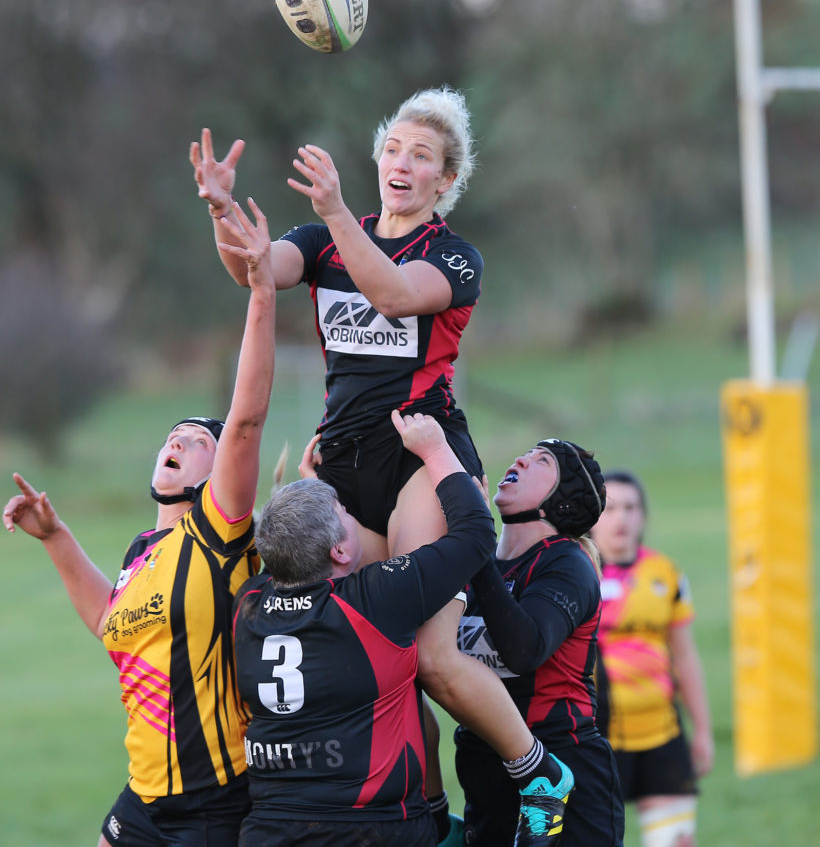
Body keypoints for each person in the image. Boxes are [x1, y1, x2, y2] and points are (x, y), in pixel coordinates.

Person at [191, 89, 571, 846]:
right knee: (375, 659)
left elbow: (395, 296)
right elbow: (256, 271)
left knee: (430, 657)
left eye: (421, 156)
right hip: (342, 464)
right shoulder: (329, 238)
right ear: (379, 158)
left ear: (444, 179)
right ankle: (429, 815)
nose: (403, 162)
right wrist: (221, 211)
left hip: (421, 457)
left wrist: (334, 212)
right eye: (394, 148)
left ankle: (537, 770)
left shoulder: (452, 256)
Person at [3, 198, 277, 847]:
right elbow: (109, 623)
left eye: (194, 440)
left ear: (218, 474)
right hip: (146, 795)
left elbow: (243, 422)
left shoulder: (218, 534)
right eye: (171, 435)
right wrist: (56, 536)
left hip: (214, 799)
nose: (176, 441)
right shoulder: (144, 550)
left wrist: (262, 291)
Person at [232, 411, 496, 847]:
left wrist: (313, 495)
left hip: (267, 830)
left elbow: (292, 549)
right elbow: (475, 533)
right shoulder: (374, 599)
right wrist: (436, 450)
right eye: (344, 513)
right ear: (338, 550)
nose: (352, 516)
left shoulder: (249, 602)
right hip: (370, 829)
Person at [455, 438, 625, 847]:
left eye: (541, 461)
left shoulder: (566, 562)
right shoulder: (479, 563)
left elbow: (524, 649)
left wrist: (475, 538)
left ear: (561, 500)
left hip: (564, 779)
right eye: (525, 454)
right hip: (487, 779)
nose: (519, 459)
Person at [590, 471, 713, 847]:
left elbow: (685, 656)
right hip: (595, 735)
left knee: (674, 841)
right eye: (610, 509)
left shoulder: (665, 573)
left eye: (631, 508)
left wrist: (703, 730)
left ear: (644, 516)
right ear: (592, 515)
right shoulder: (574, 572)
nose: (621, 518)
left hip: (661, 730)